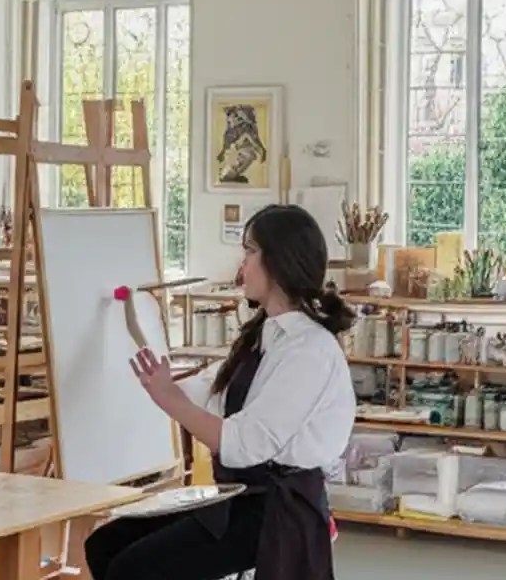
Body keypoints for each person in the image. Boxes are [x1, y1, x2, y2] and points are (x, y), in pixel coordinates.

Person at [85, 204, 356, 580]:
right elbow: (217, 395)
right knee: (105, 544)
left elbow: (243, 445)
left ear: (278, 261)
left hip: (277, 512)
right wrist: (159, 381)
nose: (241, 264)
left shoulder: (309, 350)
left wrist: (169, 398)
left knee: (133, 569)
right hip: (239, 498)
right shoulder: (266, 333)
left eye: (249, 251)